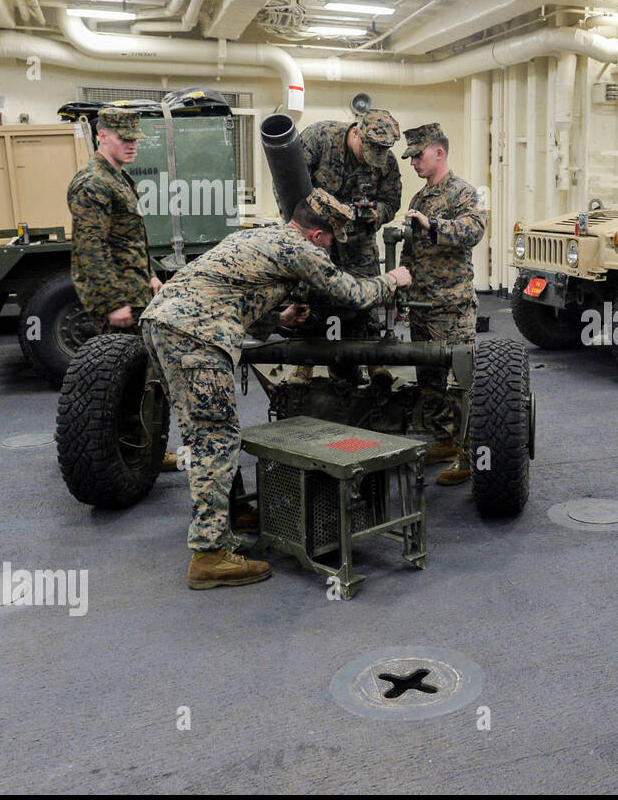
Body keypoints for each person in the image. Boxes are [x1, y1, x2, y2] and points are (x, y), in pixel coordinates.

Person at [140, 189, 412, 590]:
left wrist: (279, 317)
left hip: (162, 325)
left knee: (204, 434)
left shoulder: (259, 236)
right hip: (195, 336)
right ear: (318, 235)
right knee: (216, 438)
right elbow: (353, 295)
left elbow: (232, 291)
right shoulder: (302, 250)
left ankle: (225, 521)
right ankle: (209, 554)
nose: (331, 246)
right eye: (331, 239)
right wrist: (392, 279)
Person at [68, 106, 179, 472]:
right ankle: (130, 455)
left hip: (134, 292)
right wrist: (114, 303)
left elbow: (127, 240)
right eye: (124, 138)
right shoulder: (93, 183)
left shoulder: (117, 177)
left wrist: (148, 274)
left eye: (135, 138)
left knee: (137, 376)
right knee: (122, 383)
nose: (132, 145)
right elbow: (91, 249)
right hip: (117, 300)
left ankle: (134, 444)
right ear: (102, 136)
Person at [399, 123, 486, 487]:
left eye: (418, 155)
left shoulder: (464, 192)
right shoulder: (419, 198)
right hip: (421, 305)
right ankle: (445, 440)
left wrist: (432, 223)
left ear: (439, 152)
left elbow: (474, 230)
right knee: (429, 382)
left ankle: (468, 454)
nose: (414, 162)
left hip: (452, 306)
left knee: (461, 382)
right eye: (411, 157)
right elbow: (411, 249)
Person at [295, 109, 402, 383]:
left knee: (368, 293)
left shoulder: (386, 163)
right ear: (356, 131)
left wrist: (378, 212)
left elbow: (391, 202)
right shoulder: (319, 138)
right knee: (310, 293)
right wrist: (304, 226)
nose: (371, 158)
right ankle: (304, 362)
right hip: (316, 237)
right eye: (367, 149)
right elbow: (289, 185)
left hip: (358, 241)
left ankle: (372, 361)